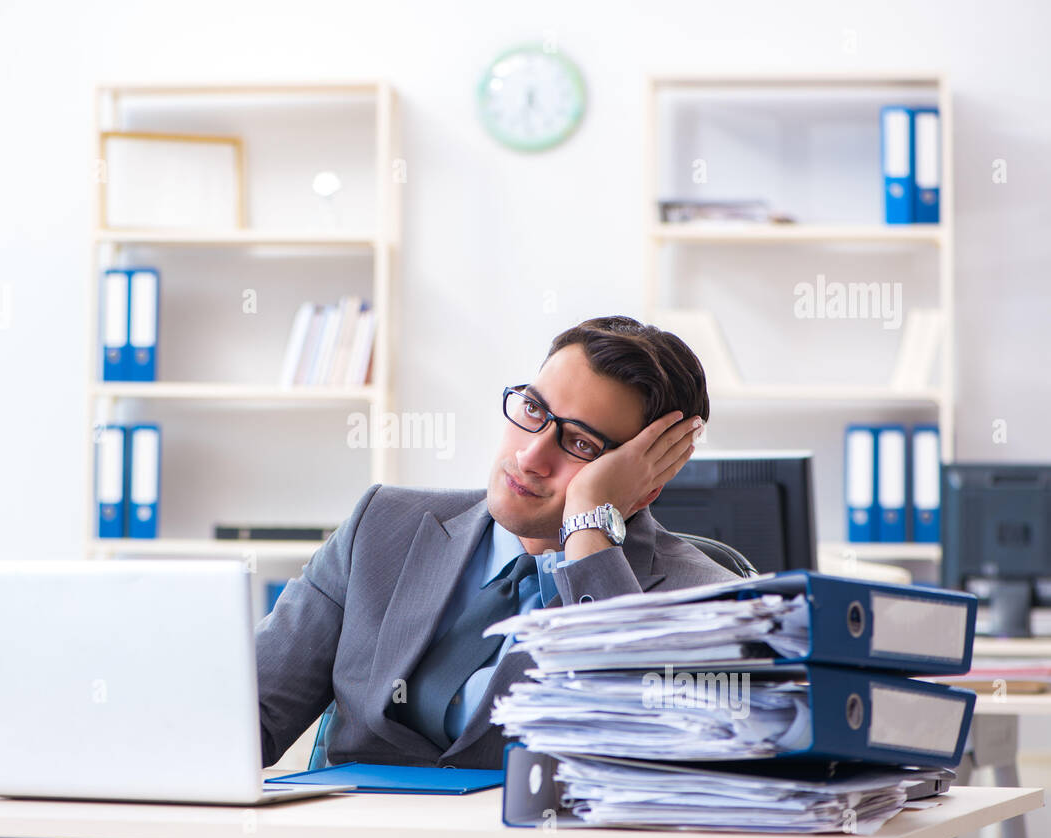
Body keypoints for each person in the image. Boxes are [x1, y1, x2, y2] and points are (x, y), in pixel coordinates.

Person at [256, 316, 742, 770]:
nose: (530, 456)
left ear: (646, 482)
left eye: (580, 444)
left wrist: (591, 525)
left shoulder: (706, 602)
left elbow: (640, 759)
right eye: (533, 410)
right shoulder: (382, 525)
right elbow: (246, 718)